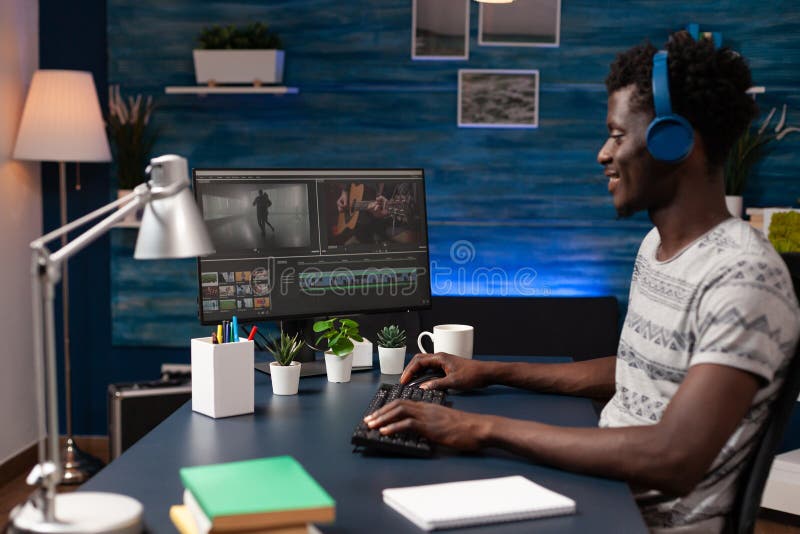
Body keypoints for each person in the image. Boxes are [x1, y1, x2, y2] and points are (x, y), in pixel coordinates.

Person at [365, 32, 800, 533]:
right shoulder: (656, 250)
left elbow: (674, 456)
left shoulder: (743, 276)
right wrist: (490, 371)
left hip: (639, 521)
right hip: (604, 488)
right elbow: (637, 370)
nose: (602, 154)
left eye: (618, 135)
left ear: (675, 140)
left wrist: (479, 426)